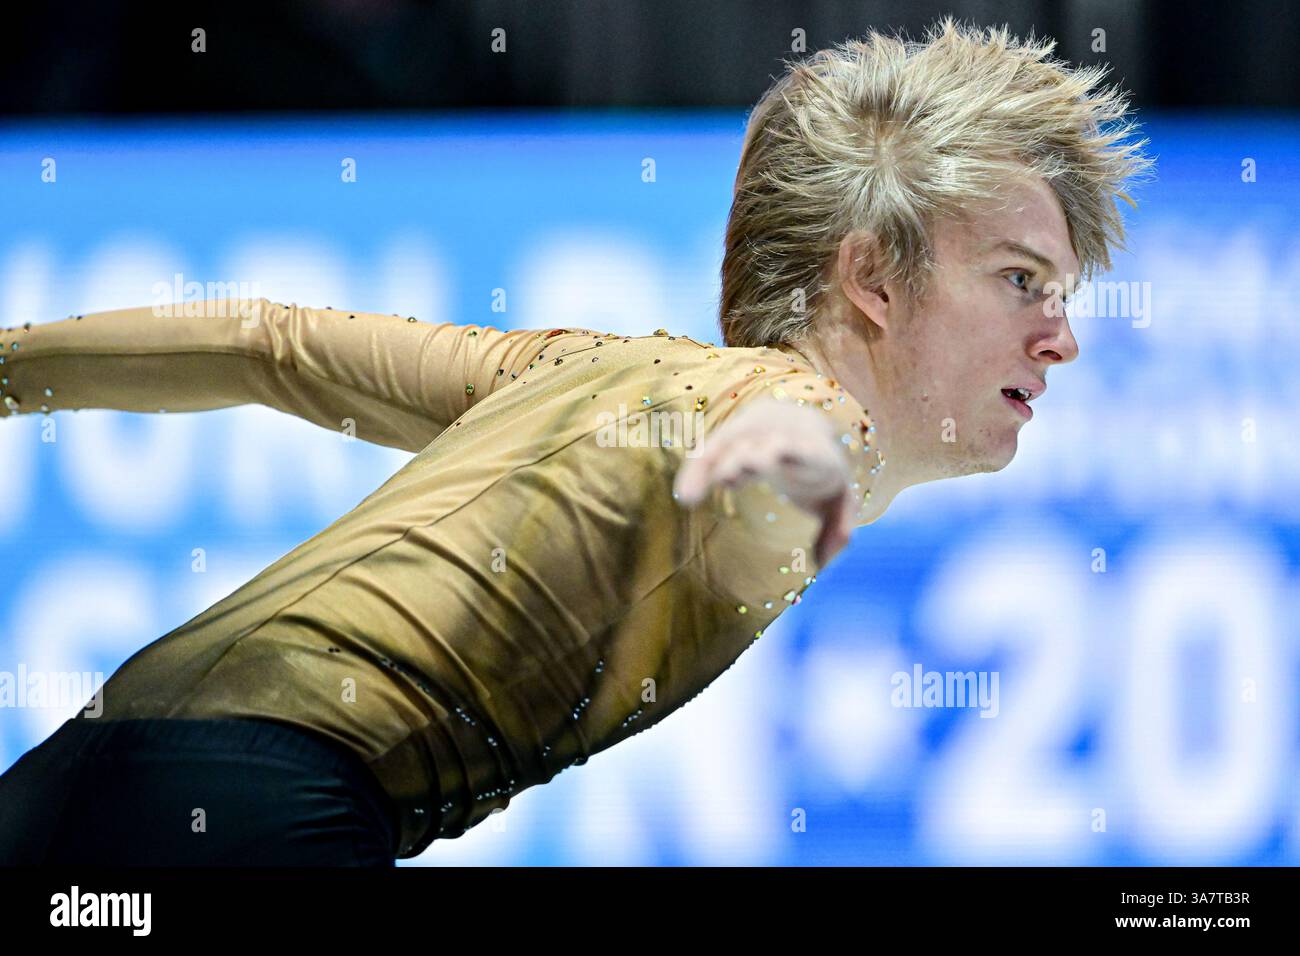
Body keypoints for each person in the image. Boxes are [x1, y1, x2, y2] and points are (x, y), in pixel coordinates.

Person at [0, 18, 1151, 865]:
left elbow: (264, 342)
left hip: (71, 784)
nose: (1060, 341)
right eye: (1019, 282)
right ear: (871, 283)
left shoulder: (583, 373)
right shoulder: (804, 419)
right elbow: (773, 449)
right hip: (257, 805)